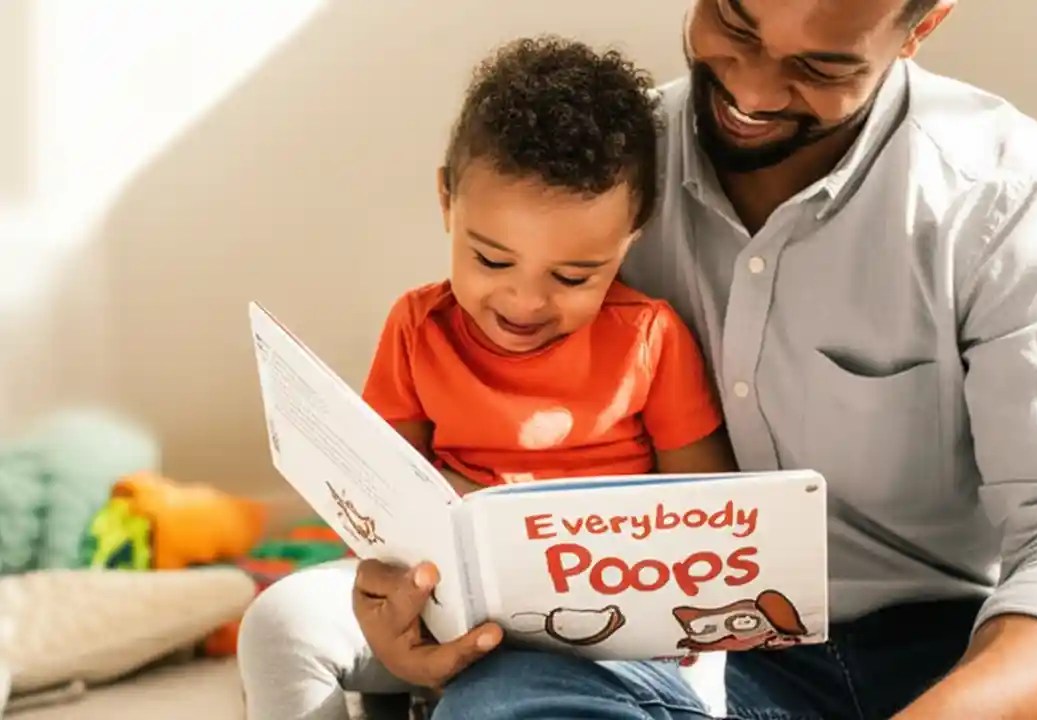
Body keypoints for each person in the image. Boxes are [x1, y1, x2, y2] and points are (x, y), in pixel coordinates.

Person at [349, 1, 1037, 719]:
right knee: (515, 704)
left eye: (821, 63)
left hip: (963, 652)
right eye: (733, 23)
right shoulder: (597, 179)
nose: (751, 89)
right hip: (686, 667)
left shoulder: (1010, 200)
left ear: (920, 28)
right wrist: (403, 612)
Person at [236, 36, 739, 719]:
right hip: (437, 596)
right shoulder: (418, 327)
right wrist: (403, 588)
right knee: (277, 624)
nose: (525, 303)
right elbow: (382, 493)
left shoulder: (648, 338)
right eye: (491, 260)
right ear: (447, 201)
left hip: (593, 623)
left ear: (632, 237)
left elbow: (706, 512)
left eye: (572, 276)